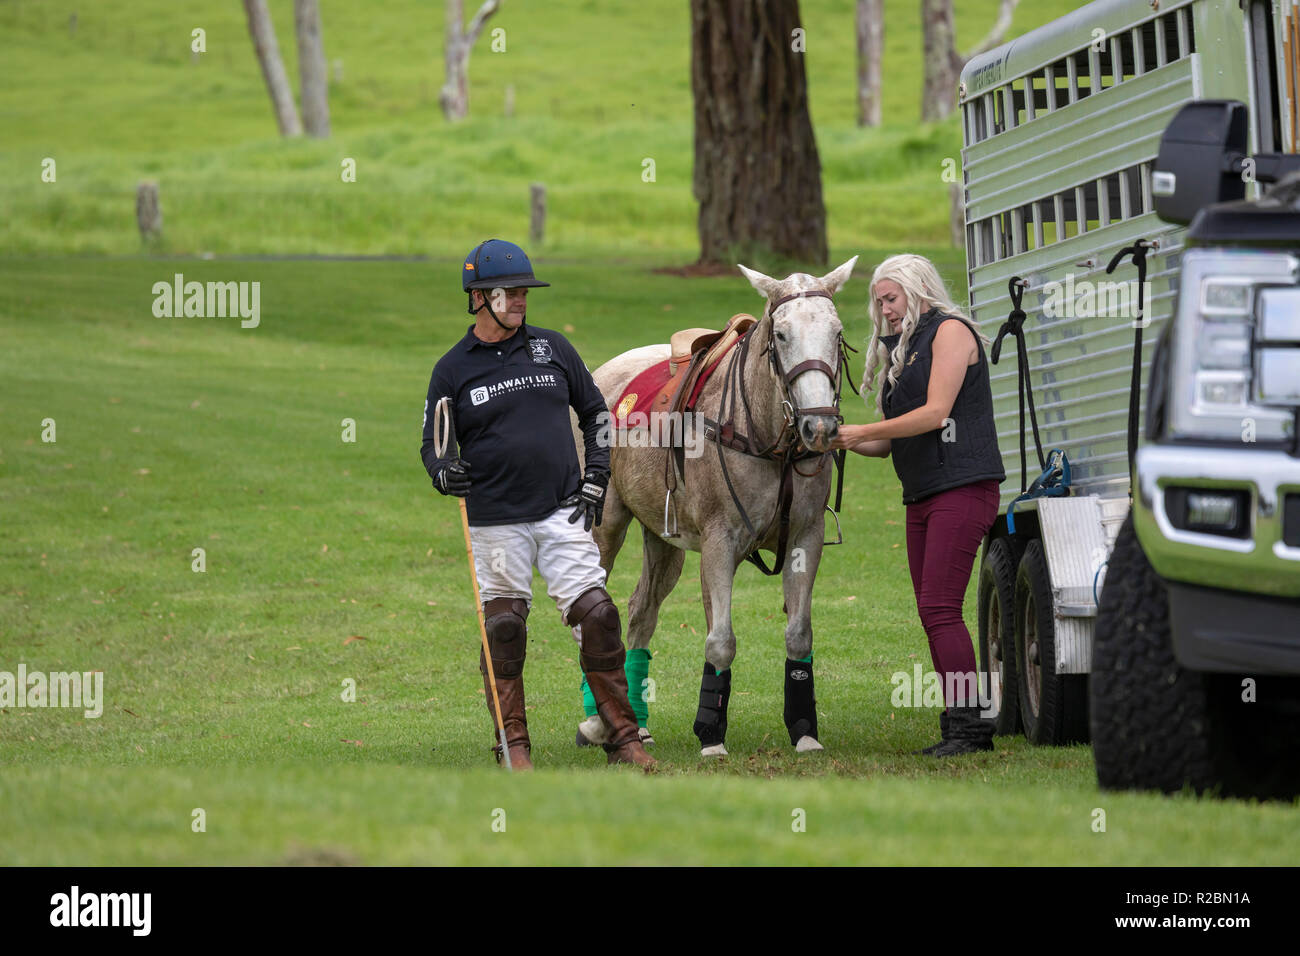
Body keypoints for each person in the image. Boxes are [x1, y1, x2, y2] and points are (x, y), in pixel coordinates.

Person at [420, 238, 654, 770]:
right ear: (480, 297)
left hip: (561, 510)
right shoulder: (453, 369)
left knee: (597, 615)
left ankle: (624, 738)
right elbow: (433, 446)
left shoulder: (553, 349)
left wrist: (596, 476)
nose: (522, 299)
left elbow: (596, 413)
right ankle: (513, 745)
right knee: (503, 627)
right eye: (511, 291)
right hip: (495, 520)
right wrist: (443, 471)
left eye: (525, 290)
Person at [831, 254, 1005, 757]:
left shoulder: (951, 331)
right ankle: (958, 725)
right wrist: (837, 440)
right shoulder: (901, 351)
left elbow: (935, 414)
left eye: (891, 297)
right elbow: (886, 444)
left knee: (940, 607)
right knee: (933, 611)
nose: (884, 309)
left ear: (917, 288)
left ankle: (970, 729)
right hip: (923, 493)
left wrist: (864, 428)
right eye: (878, 301)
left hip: (964, 487)